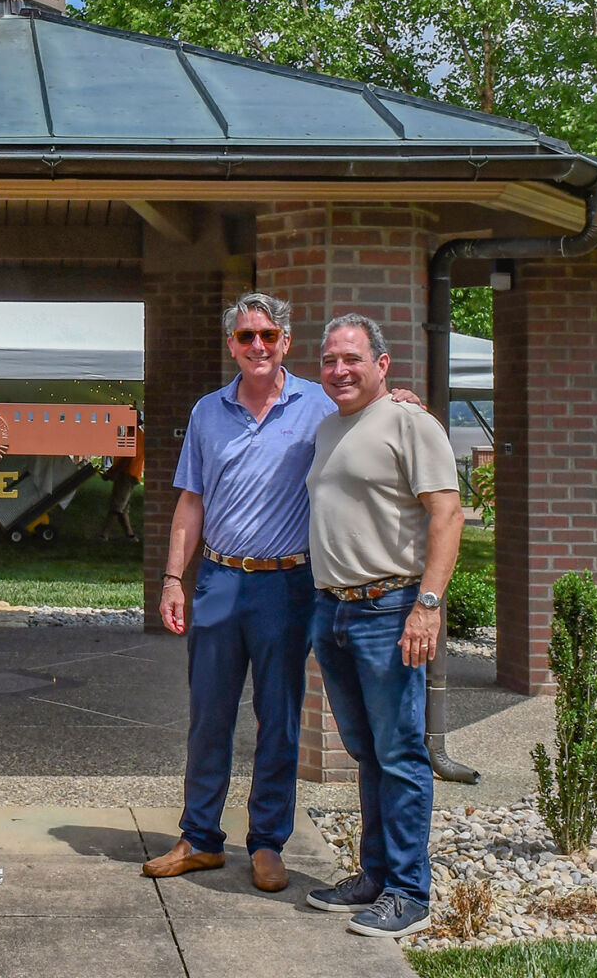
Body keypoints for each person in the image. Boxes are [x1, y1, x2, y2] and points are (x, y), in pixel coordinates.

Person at [142, 292, 334, 893]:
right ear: (232, 345)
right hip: (221, 580)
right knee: (209, 715)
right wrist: (175, 578)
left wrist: (401, 400)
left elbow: (371, 413)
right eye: (246, 336)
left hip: (287, 583)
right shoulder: (207, 412)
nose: (257, 346)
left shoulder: (320, 406)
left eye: (268, 336)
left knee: (278, 718)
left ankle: (268, 842)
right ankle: (199, 838)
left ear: (286, 343)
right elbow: (190, 502)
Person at [303, 314, 463, 938]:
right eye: (330, 360)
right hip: (334, 610)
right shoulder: (327, 429)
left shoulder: (410, 422)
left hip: (390, 609)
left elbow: (447, 514)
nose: (340, 370)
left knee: (399, 753)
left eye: (352, 359)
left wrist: (428, 604)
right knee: (366, 751)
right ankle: (373, 876)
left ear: (382, 364)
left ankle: (409, 892)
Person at [96, 414, 144, 542]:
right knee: (123, 506)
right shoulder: (137, 434)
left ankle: (104, 535)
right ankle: (130, 535)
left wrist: (112, 472)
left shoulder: (133, 435)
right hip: (131, 473)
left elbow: (126, 457)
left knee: (117, 506)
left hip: (127, 474)